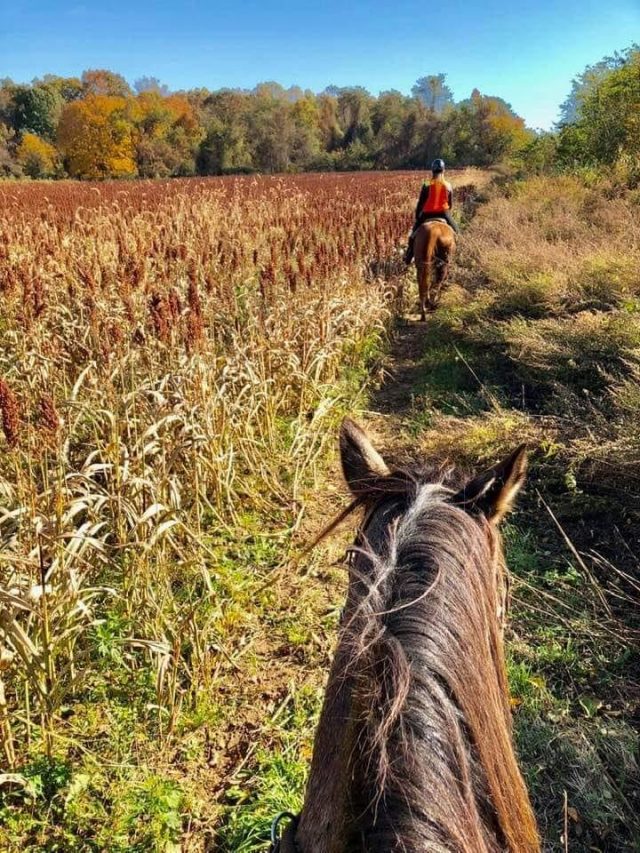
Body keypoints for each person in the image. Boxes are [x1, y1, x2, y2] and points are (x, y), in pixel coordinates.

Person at [404, 159, 459, 264]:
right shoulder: (448, 185)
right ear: (443, 170)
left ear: (432, 170)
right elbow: (450, 203)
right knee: (457, 233)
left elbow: (421, 203)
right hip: (444, 213)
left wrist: (418, 217)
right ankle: (456, 256)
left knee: (412, 235)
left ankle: (409, 255)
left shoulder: (426, 184)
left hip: (427, 213)